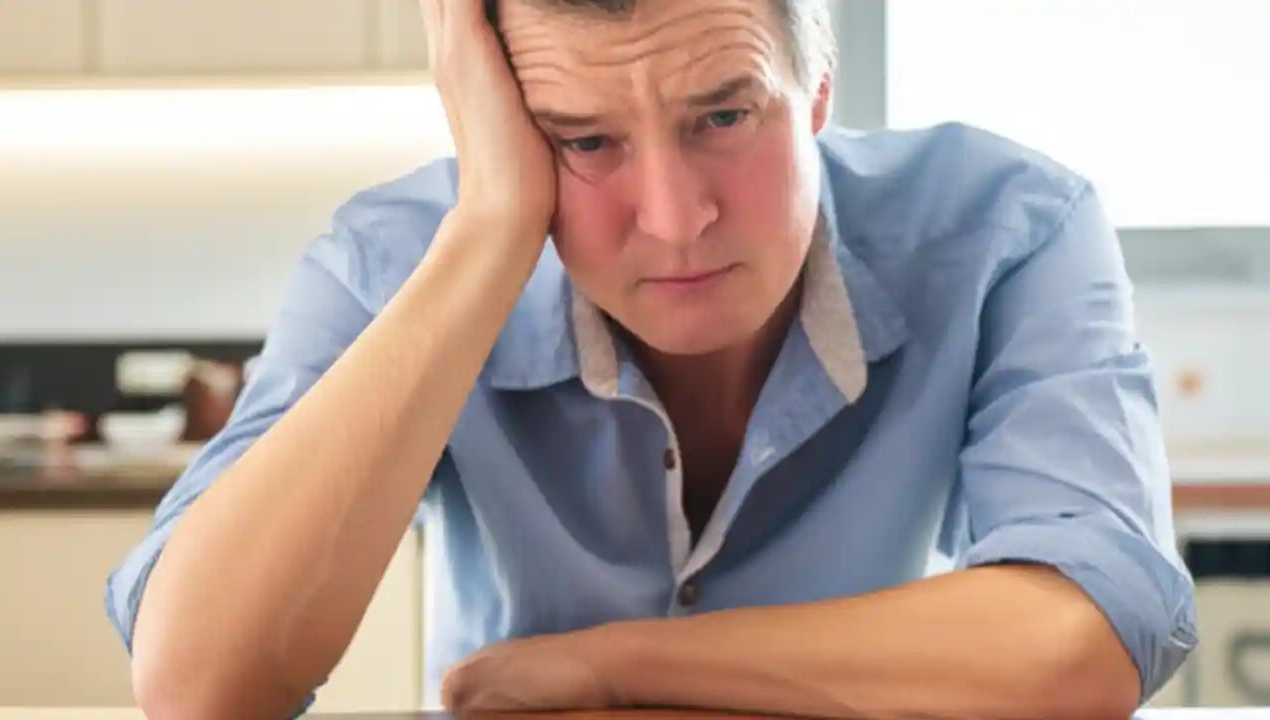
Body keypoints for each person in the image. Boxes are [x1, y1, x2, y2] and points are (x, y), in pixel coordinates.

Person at [106, 0, 1197, 717]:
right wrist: (494, 225)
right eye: (581, 139)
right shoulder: (393, 259)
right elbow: (200, 686)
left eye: (723, 115)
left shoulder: (1009, 226)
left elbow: (1081, 643)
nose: (675, 221)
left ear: (815, 89)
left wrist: (605, 664)